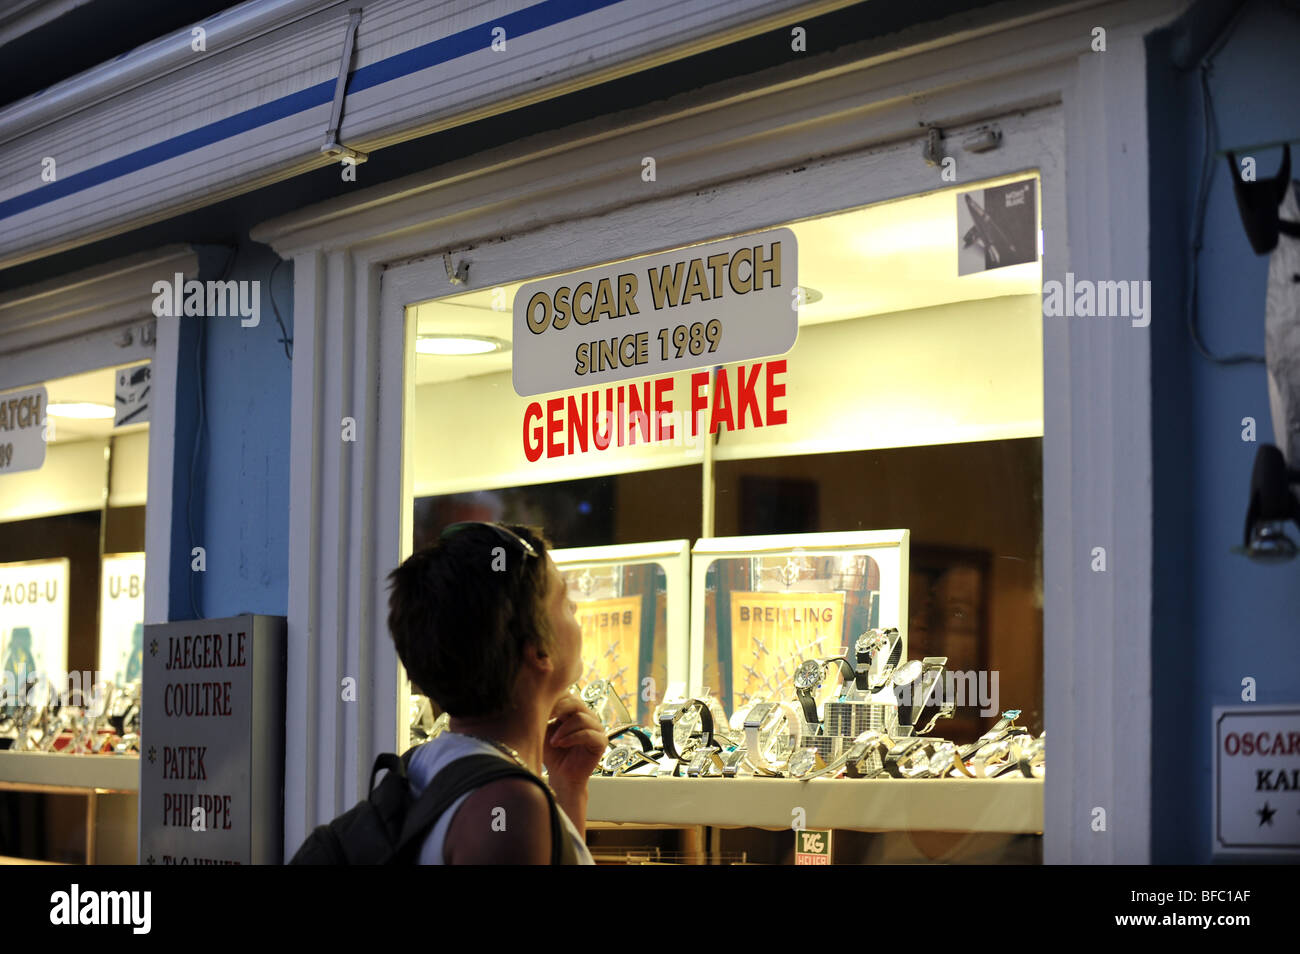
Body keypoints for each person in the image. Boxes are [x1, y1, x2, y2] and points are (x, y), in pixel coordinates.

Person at [386, 521, 606, 864]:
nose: (575, 610)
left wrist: (570, 790)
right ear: (539, 650)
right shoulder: (509, 804)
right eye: (564, 600)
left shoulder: (427, 764)